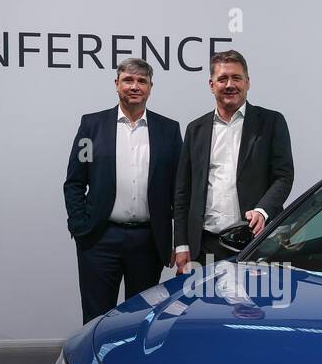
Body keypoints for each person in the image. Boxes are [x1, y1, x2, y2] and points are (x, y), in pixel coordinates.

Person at [63, 58, 183, 322]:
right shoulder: (91, 126)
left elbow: (180, 190)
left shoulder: (169, 130)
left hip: (148, 242)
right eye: (128, 80)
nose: (134, 86)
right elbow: (74, 181)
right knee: (96, 318)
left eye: (142, 81)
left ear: (151, 87)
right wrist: (80, 226)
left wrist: (179, 239)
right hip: (99, 239)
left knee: (140, 319)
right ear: (116, 84)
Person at [173, 50, 294, 271]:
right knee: (205, 306)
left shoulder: (271, 122)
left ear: (247, 83)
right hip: (204, 246)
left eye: (236, 78)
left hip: (255, 243)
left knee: (254, 306)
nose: (230, 85)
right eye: (222, 79)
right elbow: (183, 191)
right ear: (211, 85)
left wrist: (262, 210)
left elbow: (283, 177)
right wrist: (181, 244)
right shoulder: (195, 129)